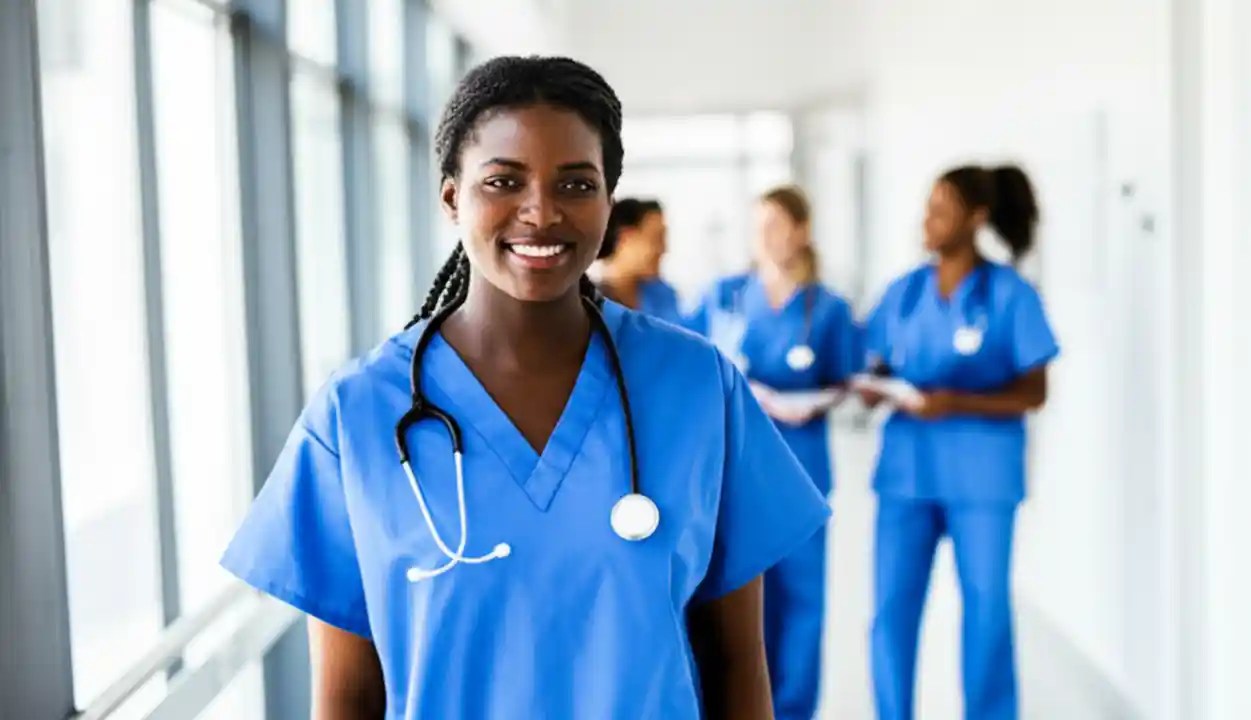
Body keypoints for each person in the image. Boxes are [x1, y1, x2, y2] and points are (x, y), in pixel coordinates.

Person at [219, 56, 830, 720]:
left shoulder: (698, 388)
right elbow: (347, 699)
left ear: (608, 200)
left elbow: (738, 664)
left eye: (575, 184)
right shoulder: (356, 414)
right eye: (503, 181)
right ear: (453, 197)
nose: (540, 212)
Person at [860, 165, 1058, 720]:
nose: (928, 220)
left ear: (975, 217)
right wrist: (874, 387)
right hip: (907, 474)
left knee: (987, 611)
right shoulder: (904, 292)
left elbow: (1034, 391)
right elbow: (871, 362)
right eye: (927, 207)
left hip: (982, 477)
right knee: (892, 612)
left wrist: (957, 402)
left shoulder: (1009, 294)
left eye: (942, 209)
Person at [687, 186, 862, 720]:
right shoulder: (725, 295)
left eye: (778, 225)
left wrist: (809, 401)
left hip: (801, 465)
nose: (766, 236)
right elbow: (689, 364)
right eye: (759, 225)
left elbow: (847, 380)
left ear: (802, 231)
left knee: (802, 605)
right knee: (737, 604)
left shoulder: (827, 308)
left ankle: (793, 711)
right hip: (731, 472)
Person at [595, 197, 683, 325]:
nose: (664, 249)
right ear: (625, 238)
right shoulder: (585, 304)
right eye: (656, 239)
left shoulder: (663, 296)